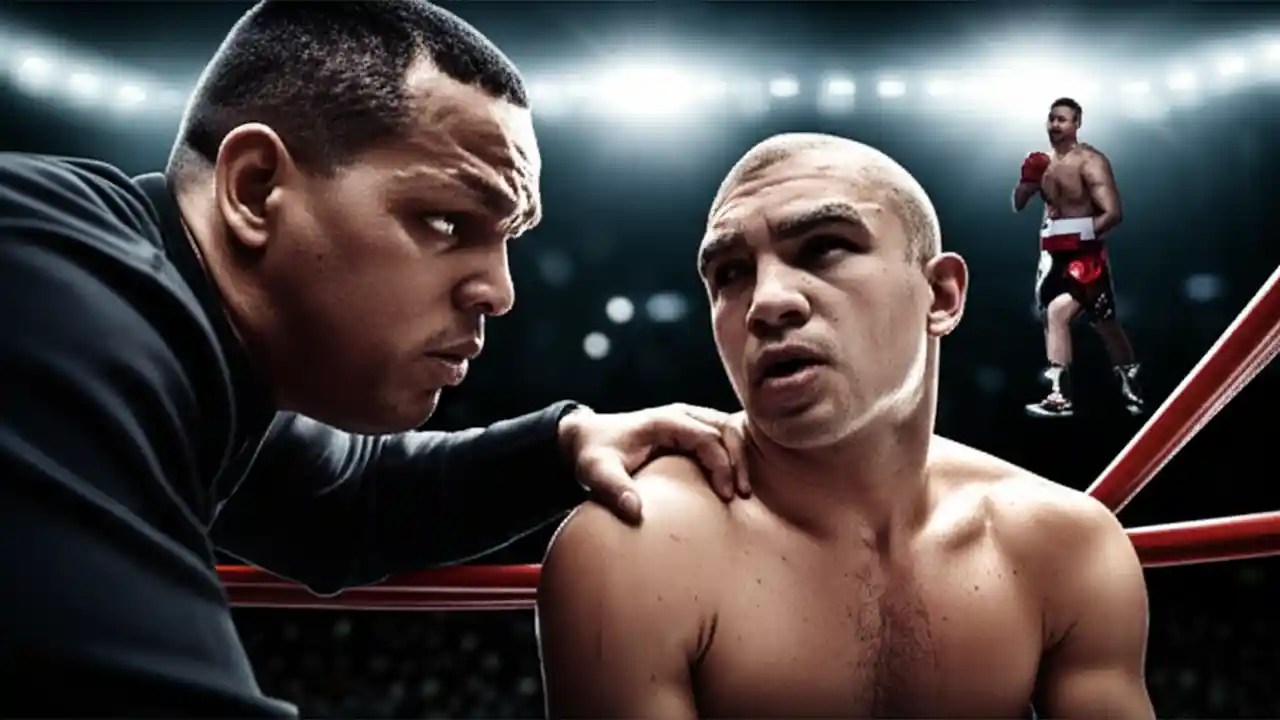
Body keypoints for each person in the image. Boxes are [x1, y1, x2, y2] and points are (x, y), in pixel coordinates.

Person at [0, 2, 751, 715]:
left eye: (507, 237)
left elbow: (343, 504)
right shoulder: (64, 309)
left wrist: (564, 444)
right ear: (257, 189)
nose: (499, 291)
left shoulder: (173, 334)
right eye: (446, 221)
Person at [536, 133, 1154, 718]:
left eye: (825, 247)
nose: (767, 302)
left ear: (940, 297)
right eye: (729, 272)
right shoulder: (637, 547)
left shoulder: (1065, 546)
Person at [1012, 97, 1145, 418]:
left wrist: (1075, 235)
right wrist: (1027, 183)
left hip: (1084, 254)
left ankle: (1128, 381)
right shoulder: (1041, 161)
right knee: (1058, 318)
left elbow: (1112, 213)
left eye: (1062, 120)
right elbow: (1018, 205)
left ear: (1076, 124)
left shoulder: (1091, 161)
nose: (1055, 125)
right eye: (1051, 119)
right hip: (1050, 255)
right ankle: (1061, 394)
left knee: (1094, 320)